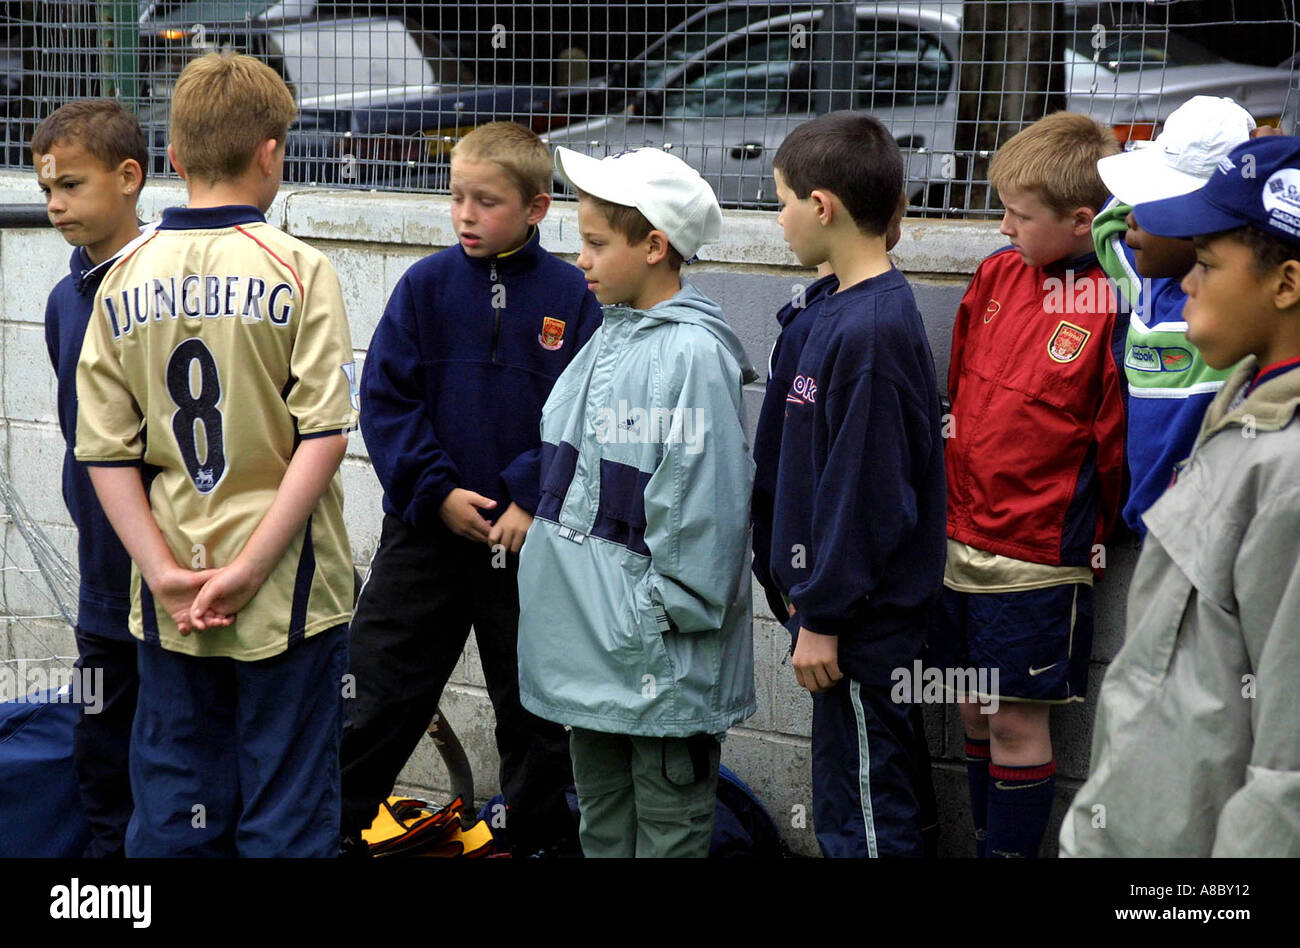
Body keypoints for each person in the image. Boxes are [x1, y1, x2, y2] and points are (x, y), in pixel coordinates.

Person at [74, 51, 357, 857]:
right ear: (271, 151)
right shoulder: (299, 268)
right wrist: (252, 568)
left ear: (170, 159)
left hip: (170, 598)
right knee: (289, 815)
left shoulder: (120, 275)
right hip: (285, 596)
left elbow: (103, 449)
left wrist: (163, 572)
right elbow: (324, 435)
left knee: (174, 813)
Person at [340, 122, 602, 857]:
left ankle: (531, 840)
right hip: (426, 533)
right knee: (376, 692)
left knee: (534, 712)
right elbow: (387, 399)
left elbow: (582, 413)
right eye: (456, 197)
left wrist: (527, 496)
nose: (464, 214)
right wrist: (436, 492)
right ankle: (332, 828)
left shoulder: (572, 297)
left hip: (527, 544)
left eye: (485, 201)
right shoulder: (424, 286)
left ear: (537, 208)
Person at [1061, 135, 1300, 857]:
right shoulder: (1243, 410)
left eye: (1205, 262)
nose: (1186, 281)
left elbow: (1287, 770)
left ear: (1286, 283)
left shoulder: (1286, 468)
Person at [515, 145, 756, 858]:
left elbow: (701, 515)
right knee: (603, 825)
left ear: (655, 247)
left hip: (650, 667)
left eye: (595, 243)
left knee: (668, 836)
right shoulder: (607, 335)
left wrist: (645, 623)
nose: (578, 260)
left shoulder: (692, 356)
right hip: (593, 659)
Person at [932, 112, 1127, 858]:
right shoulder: (996, 274)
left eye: (1020, 215)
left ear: (1082, 221)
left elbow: (1113, 442)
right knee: (975, 711)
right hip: (961, 534)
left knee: (1016, 720)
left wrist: (1094, 534)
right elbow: (963, 391)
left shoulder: (1112, 301)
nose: (1004, 226)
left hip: (1038, 554)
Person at [751, 112, 945, 858]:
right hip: (840, 621)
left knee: (863, 815)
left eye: (782, 200)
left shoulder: (870, 334)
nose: (779, 217)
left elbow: (868, 496)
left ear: (822, 206)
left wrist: (825, 615)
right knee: (860, 792)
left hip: (857, 632)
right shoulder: (833, 307)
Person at [34, 98, 147, 858]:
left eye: (70, 185)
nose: (53, 205)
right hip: (101, 583)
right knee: (102, 748)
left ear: (129, 178)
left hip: (175, 582)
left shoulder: (159, 289)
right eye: (46, 188)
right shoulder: (59, 299)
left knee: (177, 755)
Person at [1092, 96, 1257, 535]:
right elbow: (1109, 218)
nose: (1133, 219)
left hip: (1218, 539)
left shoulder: (1248, 313)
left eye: (1158, 202)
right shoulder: (1139, 281)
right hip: (1151, 536)